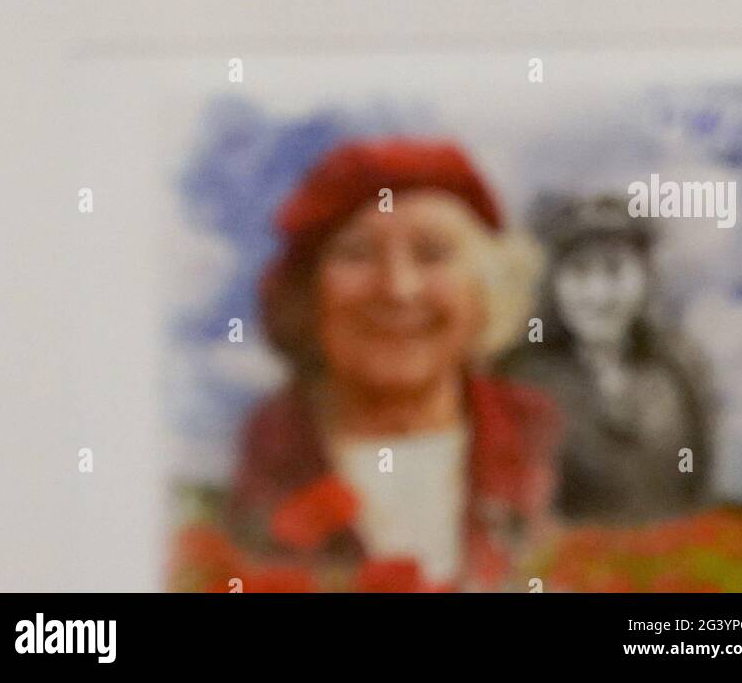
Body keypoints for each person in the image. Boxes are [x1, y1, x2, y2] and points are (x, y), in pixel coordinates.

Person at [225, 138, 559, 591]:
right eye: (357, 253)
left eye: (432, 253)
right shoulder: (263, 454)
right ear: (306, 293)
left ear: (487, 288)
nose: (398, 288)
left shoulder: (543, 436)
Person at [499, 196, 713, 524]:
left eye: (615, 270)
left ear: (645, 279)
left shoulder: (679, 374)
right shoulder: (520, 380)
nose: (598, 294)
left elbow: (696, 491)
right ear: (553, 285)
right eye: (579, 272)